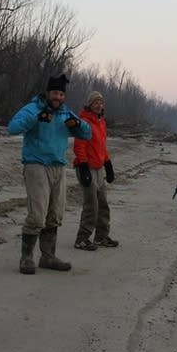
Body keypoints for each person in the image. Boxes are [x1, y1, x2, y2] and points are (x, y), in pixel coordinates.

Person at [7, 74, 92, 275]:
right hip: (36, 164)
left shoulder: (65, 113)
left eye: (61, 94)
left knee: (55, 214)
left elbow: (87, 134)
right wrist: (36, 117)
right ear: (47, 93)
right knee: (37, 215)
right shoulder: (33, 108)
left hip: (58, 167)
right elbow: (12, 128)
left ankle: (48, 257)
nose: (58, 97)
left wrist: (78, 125)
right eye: (55, 93)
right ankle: (27, 258)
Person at [73, 91, 119, 251]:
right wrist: (84, 167)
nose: (99, 105)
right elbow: (79, 146)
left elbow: (101, 147)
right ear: (90, 105)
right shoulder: (84, 122)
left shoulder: (101, 123)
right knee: (91, 205)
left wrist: (108, 164)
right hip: (86, 167)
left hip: (99, 168)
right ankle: (82, 239)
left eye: (101, 102)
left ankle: (101, 236)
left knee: (103, 204)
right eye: (95, 103)